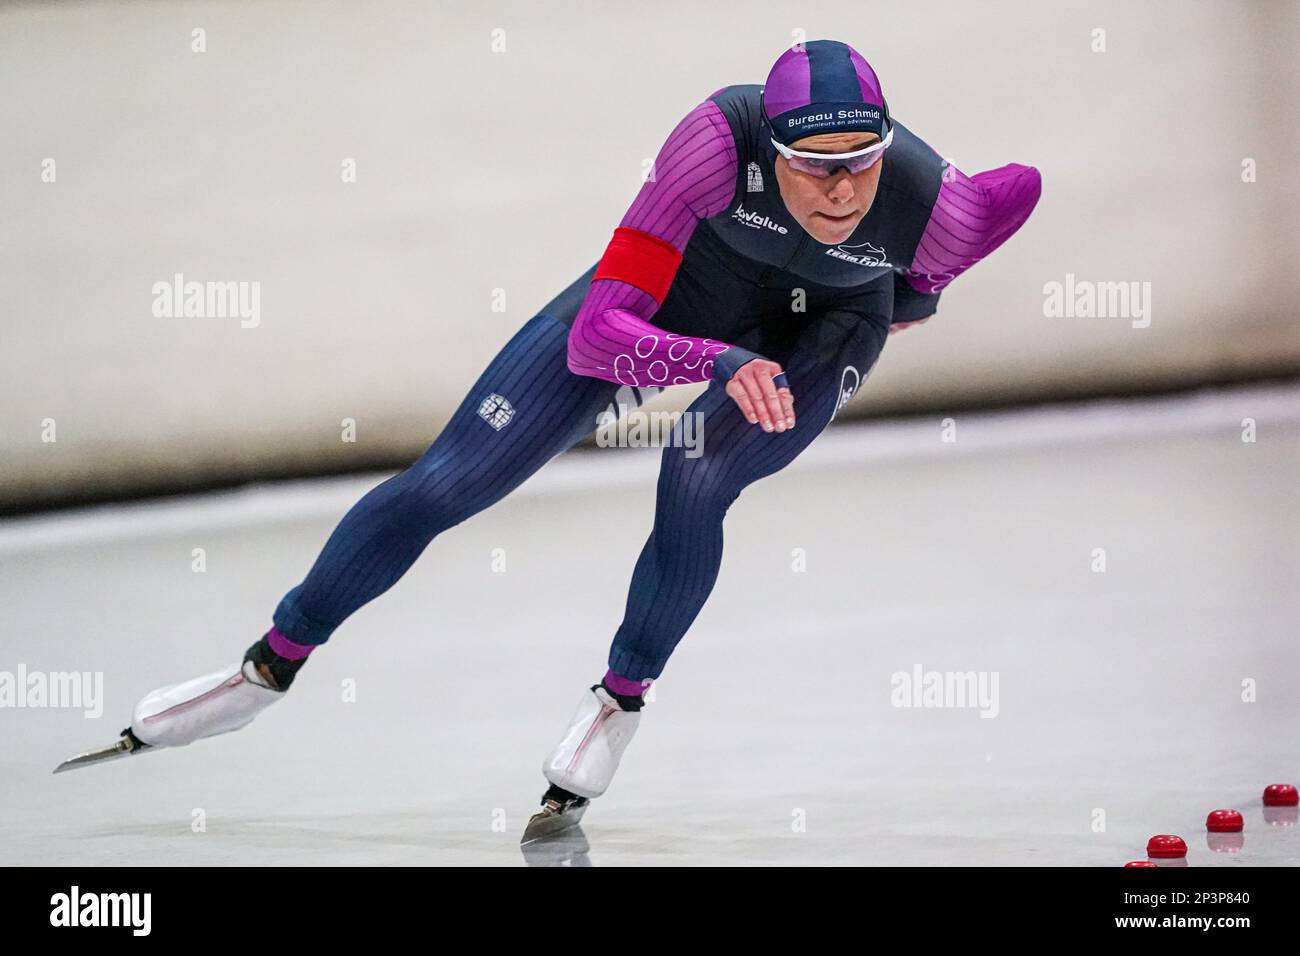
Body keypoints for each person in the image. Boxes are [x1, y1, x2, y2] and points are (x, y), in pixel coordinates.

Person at [90, 40, 1042, 838]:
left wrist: (895, 304)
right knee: (445, 483)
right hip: (682, 307)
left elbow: (961, 249)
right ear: (772, 150)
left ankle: (617, 703)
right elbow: (597, 334)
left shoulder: (941, 209)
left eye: (860, 163)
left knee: (699, 473)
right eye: (812, 166)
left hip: (822, 329)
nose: (839, 191)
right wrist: (710, 360)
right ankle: (270, 664)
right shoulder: (713, 146)